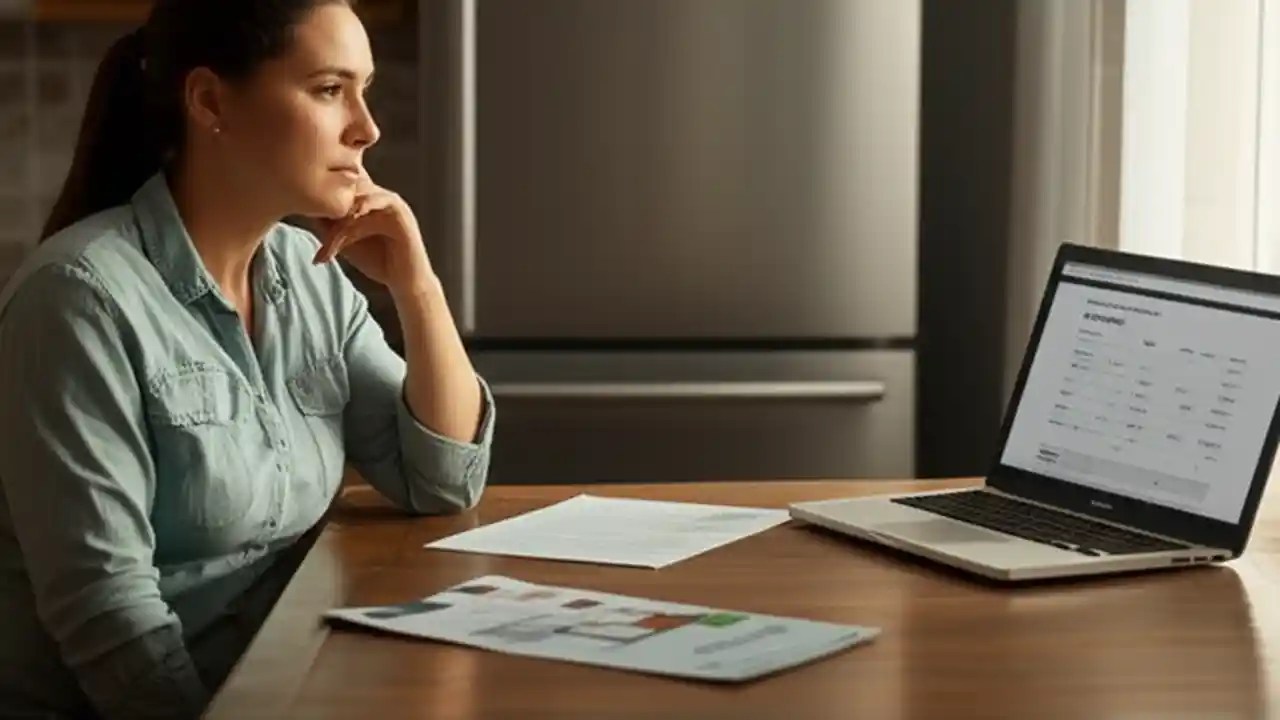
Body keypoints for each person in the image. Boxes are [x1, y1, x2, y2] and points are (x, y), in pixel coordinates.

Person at [0, 0, 495, 716]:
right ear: (209, 101)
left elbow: (442, 480)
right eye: (330, 90)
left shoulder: (310, 273)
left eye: (365, 88)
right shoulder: (78, 302)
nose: (367, 126)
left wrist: (418, 285)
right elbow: (109, 620)